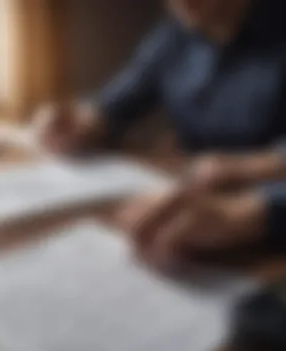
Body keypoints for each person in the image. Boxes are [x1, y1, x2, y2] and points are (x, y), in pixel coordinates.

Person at [35, 0, 286, 267]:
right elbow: (114, 105)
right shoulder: (173, 35)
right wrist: (77, 124)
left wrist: (240, 196)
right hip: (188, 213)